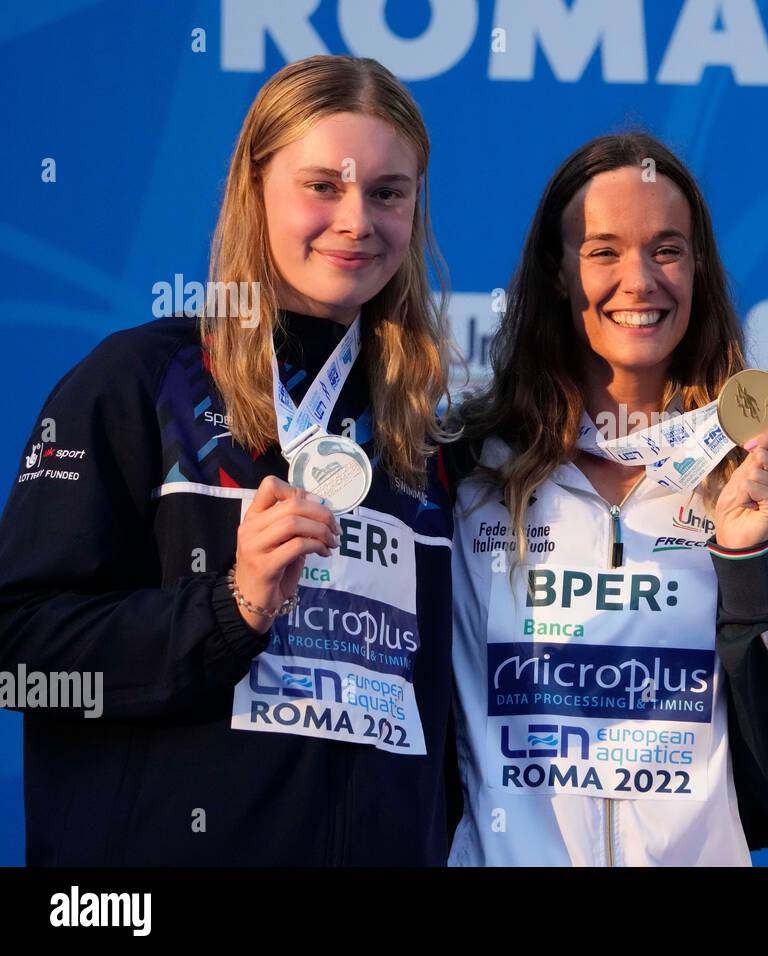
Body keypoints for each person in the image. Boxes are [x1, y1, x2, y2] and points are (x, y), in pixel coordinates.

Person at [0, 55, 460, 865]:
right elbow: (20, 649)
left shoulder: (421, 436)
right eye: (323, 186)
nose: (357, 220)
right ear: (255, 188)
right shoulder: (142, 381)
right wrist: (230, 609)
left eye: (388, 192)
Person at [446, 132, 768, 866]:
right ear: (557, 273)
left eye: (666, 249)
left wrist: (744, 561)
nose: (639, 281)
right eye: (603, 251)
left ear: (698, 269)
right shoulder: (465, 470)